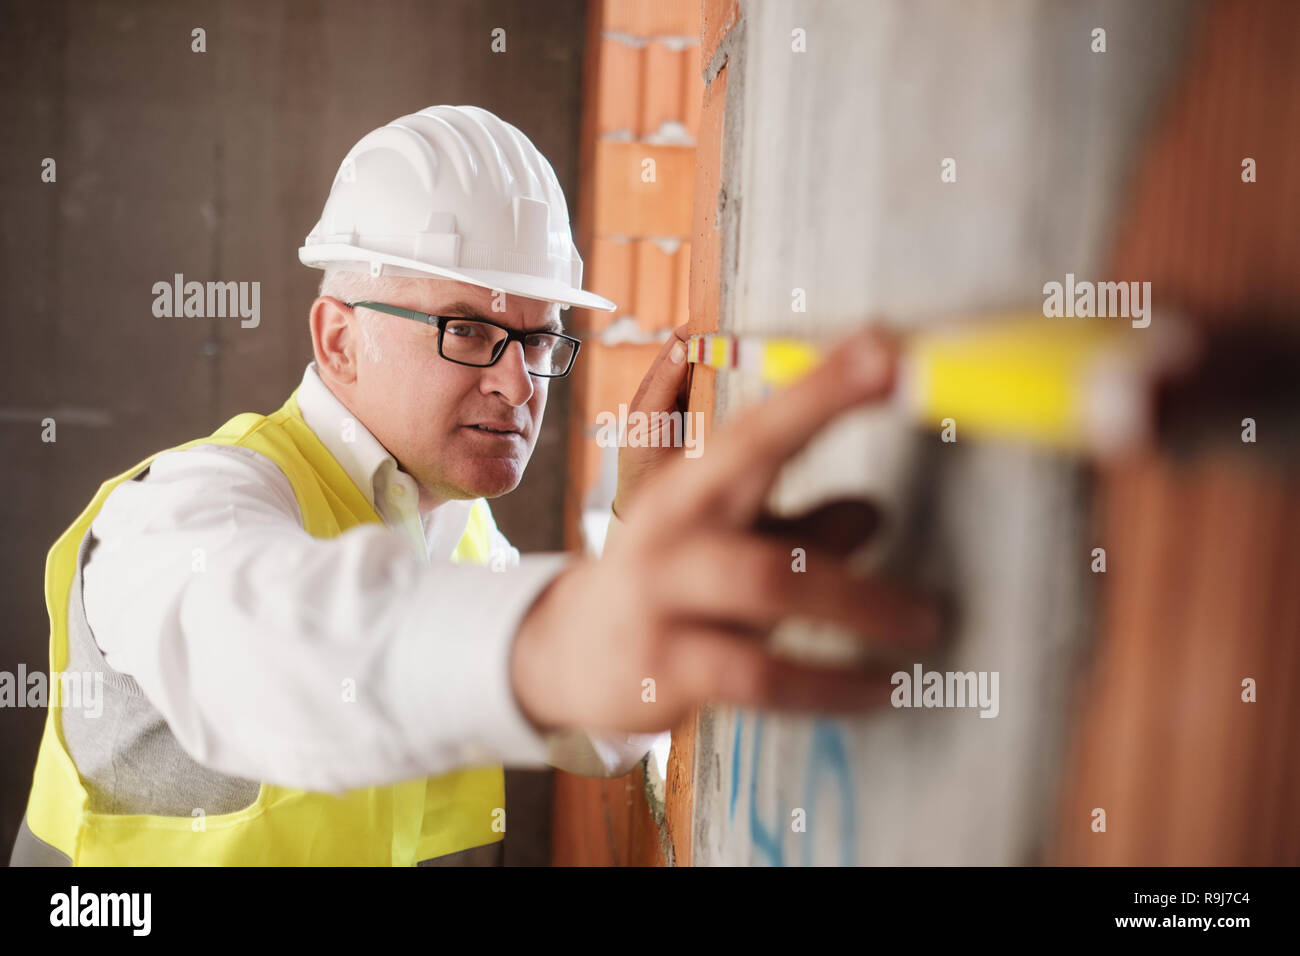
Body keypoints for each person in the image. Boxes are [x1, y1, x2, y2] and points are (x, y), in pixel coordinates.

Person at [11, 106, 937, 867]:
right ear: (338, 338)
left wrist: (635, 530)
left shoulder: (455, 532)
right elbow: (257, 638)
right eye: (468, 329)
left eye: (540, 340)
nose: (519, 380)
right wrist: (546, 635)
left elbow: (591, 720)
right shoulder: (182, 512)